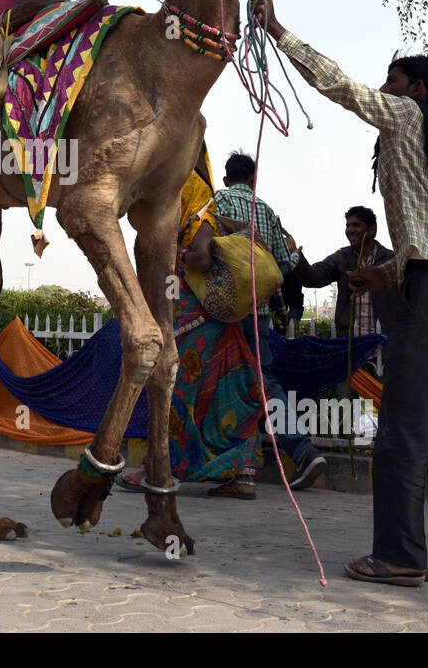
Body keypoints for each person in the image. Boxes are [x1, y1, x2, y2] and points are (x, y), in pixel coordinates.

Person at [255, 0, 428, 586]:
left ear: (415, 88)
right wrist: (383, 273)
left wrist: (280, 32)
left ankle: (397, 556)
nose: (383, 86)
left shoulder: (406, 114)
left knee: (401, 432)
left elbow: (343, 89)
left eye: (393, 78)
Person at [117, 156, 267, 497]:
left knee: (175, 389)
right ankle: (242, 474)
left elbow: (201, 256)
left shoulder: (188, 194)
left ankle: (160, 468)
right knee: (229, 392)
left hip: (189, 312)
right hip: (215, 312)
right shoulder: (203, 196)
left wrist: (178, 256)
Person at [214, 151, 326, 490]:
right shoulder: (266, 211)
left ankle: (236, 469)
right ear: (252, 179)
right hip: (258, 313)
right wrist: (294, 250)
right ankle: (303, 450)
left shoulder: (215, 201)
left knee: (221, 385)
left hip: (222, 312)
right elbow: (285, 264)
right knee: (265, 385)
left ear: (226, 178)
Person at [295, 206, 398, 338]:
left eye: (356, 225)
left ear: (372, 229)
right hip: (349, 348)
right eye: (348, 225)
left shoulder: (391, 260)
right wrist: (297, 256)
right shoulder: (342, 257)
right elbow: (313, 278)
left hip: (384, 346)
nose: (350, 230)